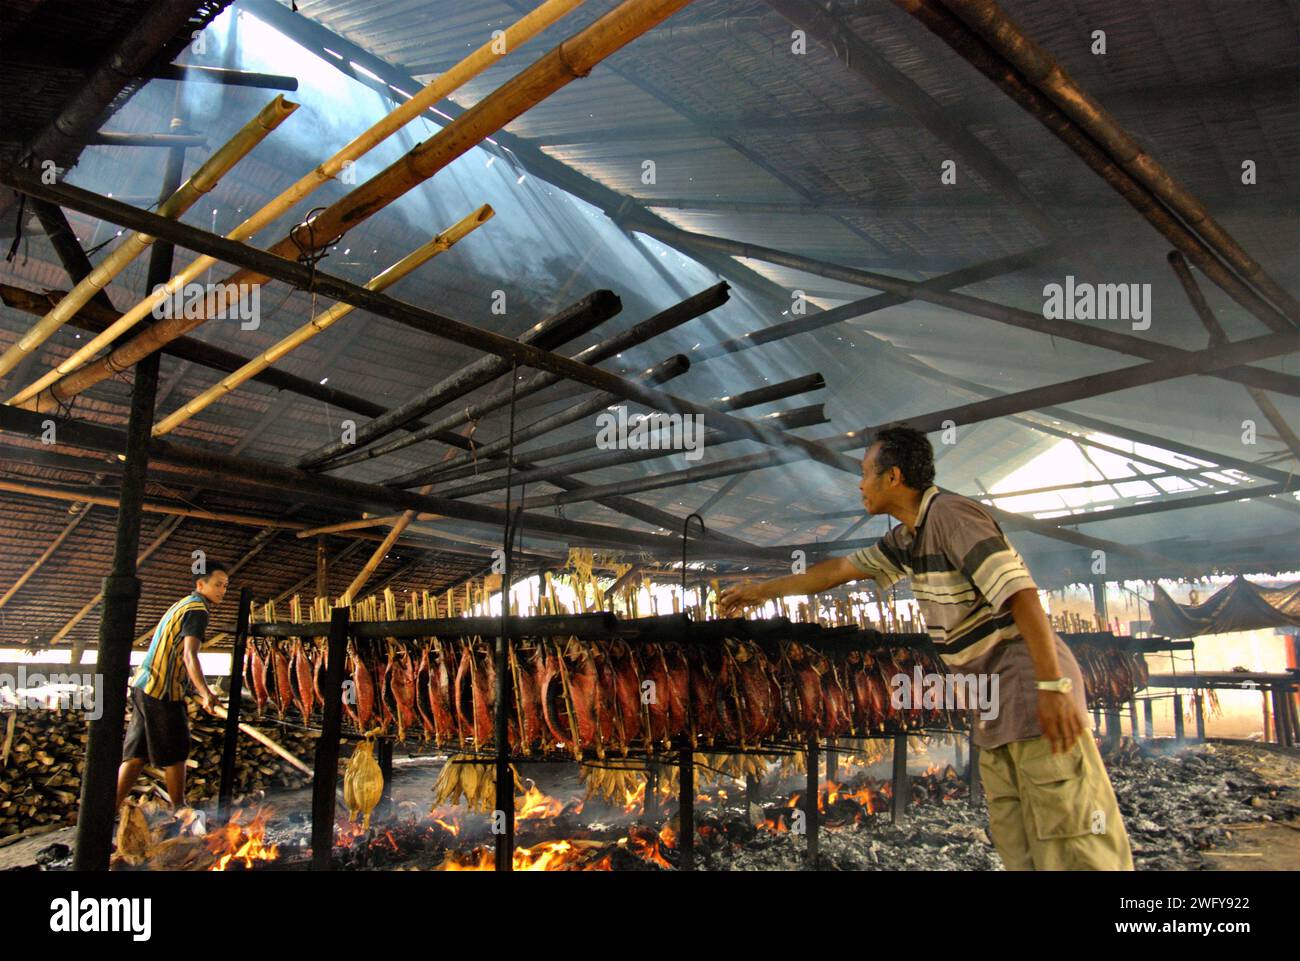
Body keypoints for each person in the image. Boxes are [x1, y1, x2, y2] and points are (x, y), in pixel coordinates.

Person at [720, 426, 1132, 871]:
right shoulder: (909, 539)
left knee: (1070, 838)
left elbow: (1021, 594)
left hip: (1028, 688)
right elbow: (839, 569)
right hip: (992, 706)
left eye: (864, 473)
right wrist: (763, 590)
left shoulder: (952, 517)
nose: (859, 485)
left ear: (892, 477)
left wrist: (1053, 685)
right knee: (1020, 840)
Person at [116, 561, 228, 811]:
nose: (222, 590)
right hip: (162, 690)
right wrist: (206, 693)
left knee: (136, 756)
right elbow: (189, 655)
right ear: (201, 584)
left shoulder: (183, 603)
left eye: (225, 586)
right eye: (218, 584)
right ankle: (180, 810)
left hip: (143, 685)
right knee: (177, 752)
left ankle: (106, 812)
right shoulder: (198, 610)